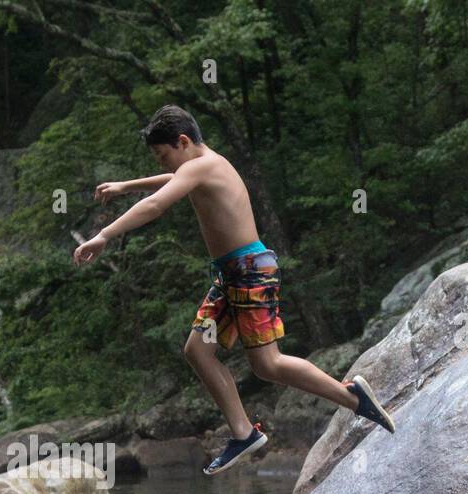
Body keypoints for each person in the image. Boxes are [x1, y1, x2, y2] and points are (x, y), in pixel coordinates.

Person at [73, 104, 395, 475]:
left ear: (183, 141)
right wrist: (127, 185)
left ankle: (350, 397)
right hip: (231, 276)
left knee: (267, 364)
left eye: (165, 157)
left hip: (249, 272)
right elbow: (171, 179)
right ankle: (243, 433)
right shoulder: (202, 165)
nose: (165, 167)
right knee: (198, 351)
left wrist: (103, 235)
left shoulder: (202, 166)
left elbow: (158, 203)